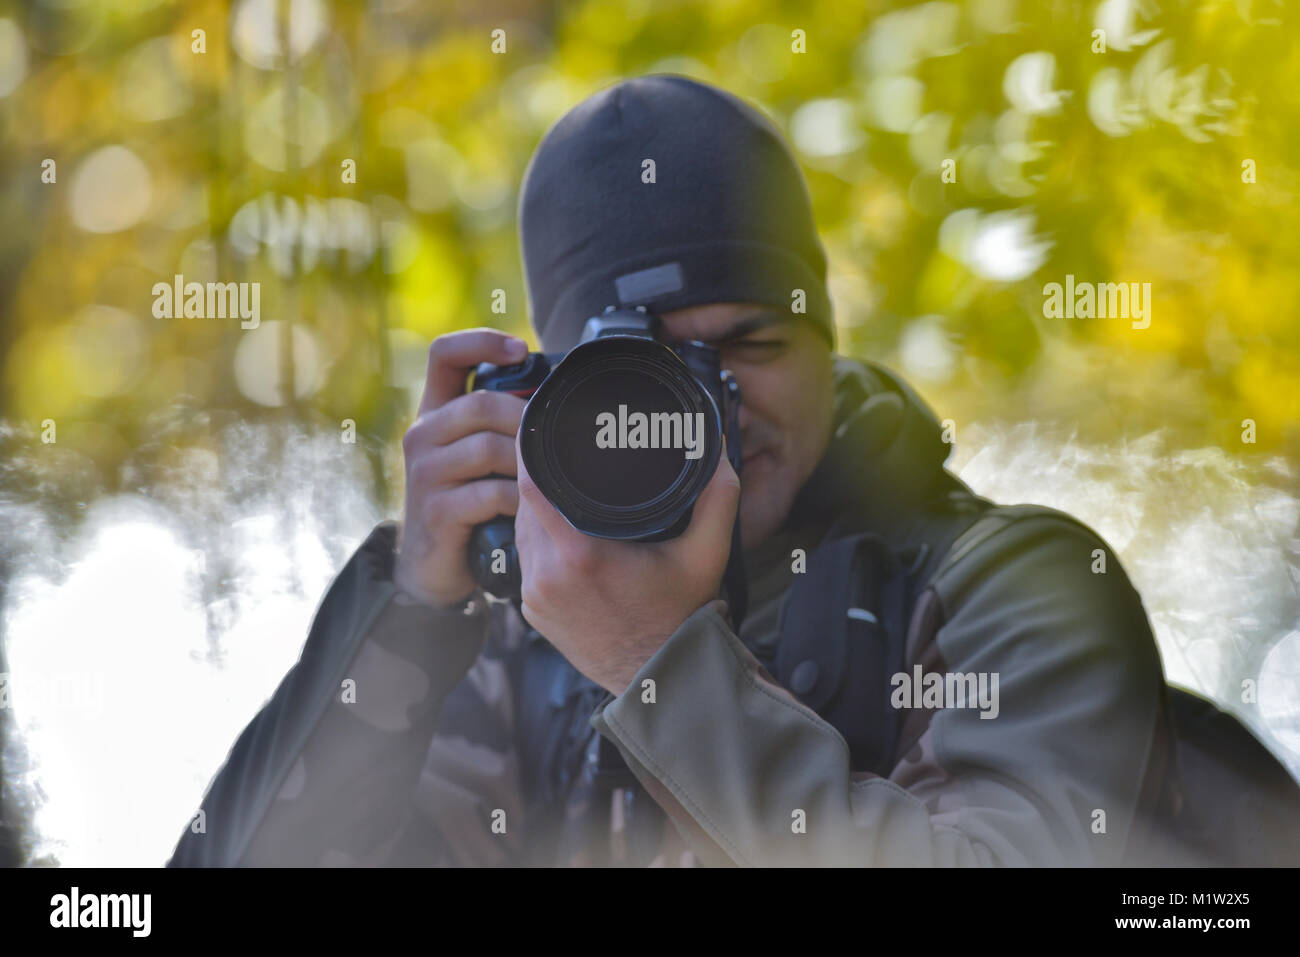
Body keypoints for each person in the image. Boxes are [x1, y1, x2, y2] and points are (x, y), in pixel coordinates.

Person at [168, 74, 1186, 867]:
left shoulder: (1012, 592)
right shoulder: (503, 636)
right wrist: (410, 609)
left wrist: (657, 667)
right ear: (551, 388)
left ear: (827, 347)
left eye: (752, 344)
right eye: (652, 368)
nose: (717, 405)